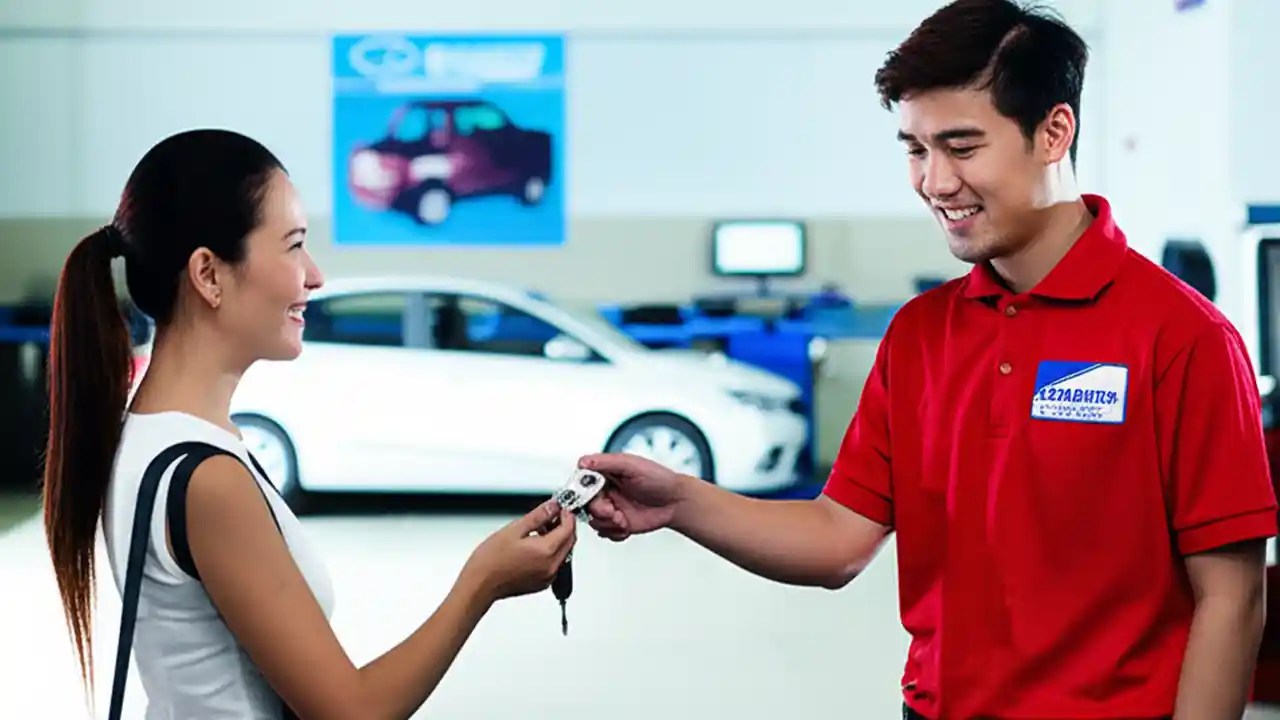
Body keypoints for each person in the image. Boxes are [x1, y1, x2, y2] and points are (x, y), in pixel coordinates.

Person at [581, 1, 1278, 718]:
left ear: (1054, 132)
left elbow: (1231, 599)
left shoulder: (1182, 338)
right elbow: (836, 540)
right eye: (915, 149)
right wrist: (683, 501)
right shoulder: (920, 336)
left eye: (963, 146)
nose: (935, 182)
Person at [41, 128, 578, 719]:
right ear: (209, 275)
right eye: (293, 245)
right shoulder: (208, 480)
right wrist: (482, 582)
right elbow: (352, 713)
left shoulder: (144, 437)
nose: (314, 276)